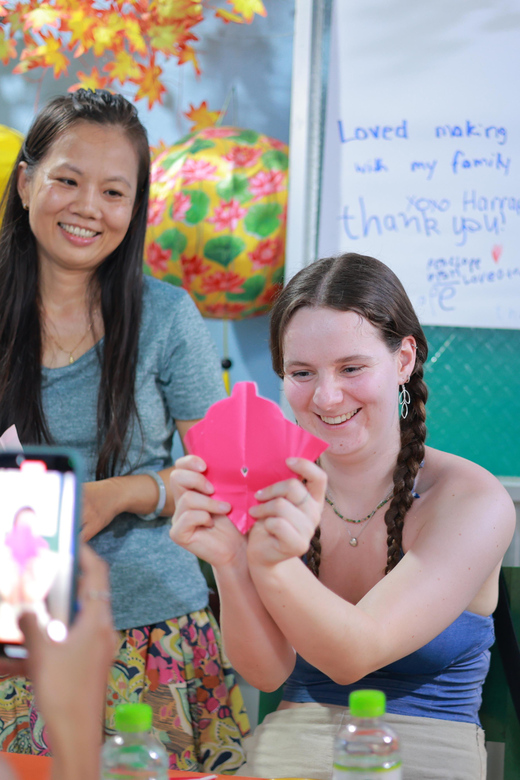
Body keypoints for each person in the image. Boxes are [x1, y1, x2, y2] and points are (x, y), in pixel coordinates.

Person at [170, 253, 516, 780]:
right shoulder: (268, 487)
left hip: (427, 752)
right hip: (291, 745)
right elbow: (266, 673)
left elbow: (356, 653)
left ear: (403, 360)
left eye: (351, 368)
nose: (326, 397)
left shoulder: (471, 499)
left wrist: (270, 564)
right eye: (302, 373)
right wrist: (226, 559)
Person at [0, 89, 249, 769]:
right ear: (26, 183)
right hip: (14, 636)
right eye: (68, 180)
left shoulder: (168, 318)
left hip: (156, 627)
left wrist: (122, 493)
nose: (87, 208)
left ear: (135, 208)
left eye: (114, 191)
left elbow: (225, 480)